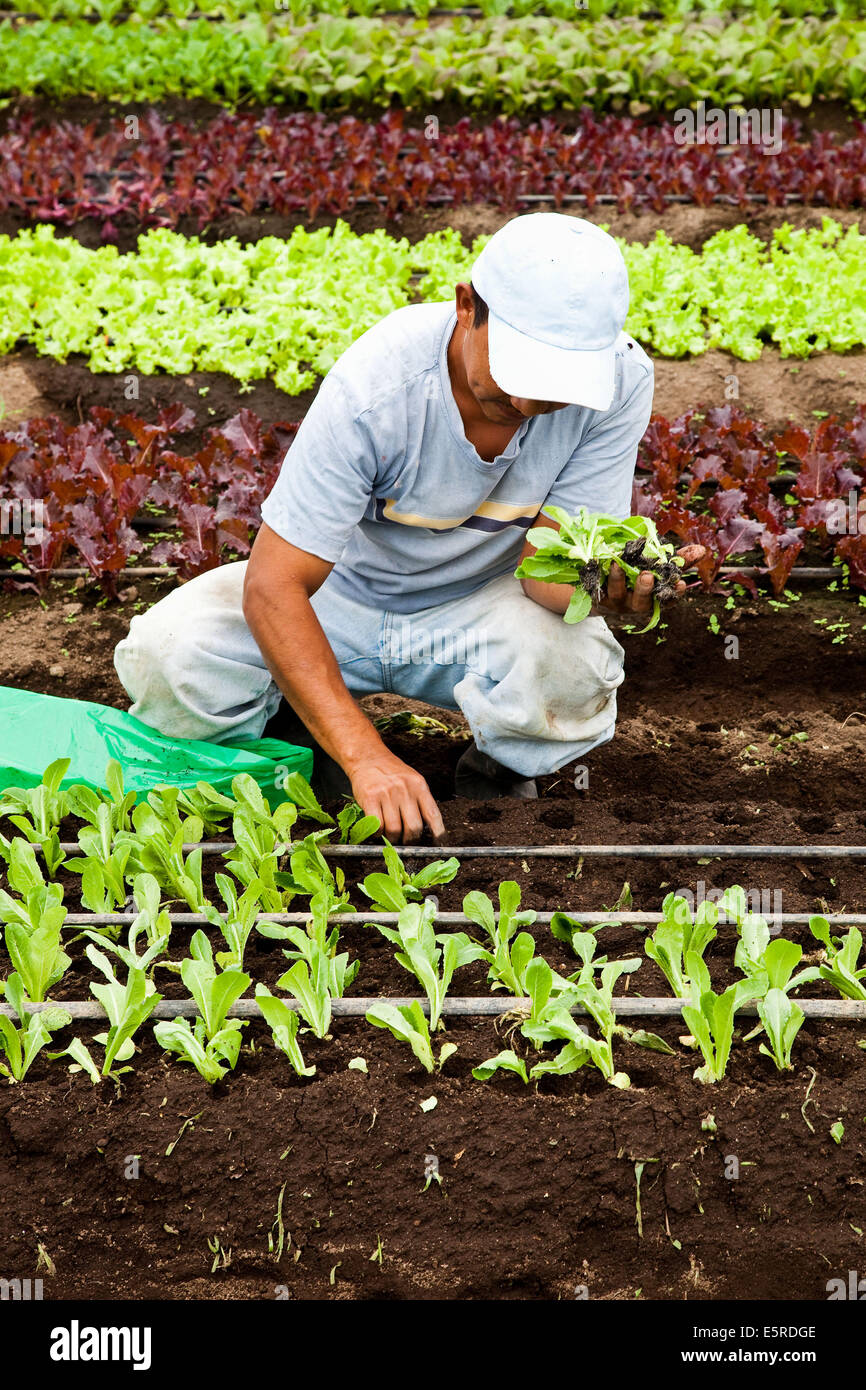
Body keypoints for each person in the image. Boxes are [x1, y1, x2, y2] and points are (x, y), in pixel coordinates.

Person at [115, 213, 701, 844]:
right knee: (169, 654)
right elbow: (274, 587)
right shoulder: (379, 384)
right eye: (520, 375)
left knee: (579, 661)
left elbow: (544, 575)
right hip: (337, 599)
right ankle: (304, 736)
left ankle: (498, 774)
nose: (531, 407)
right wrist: (364, 755)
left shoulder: (618, 384)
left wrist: (608, 589)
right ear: (466, 306)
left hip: (477, 606)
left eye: (556, 388)